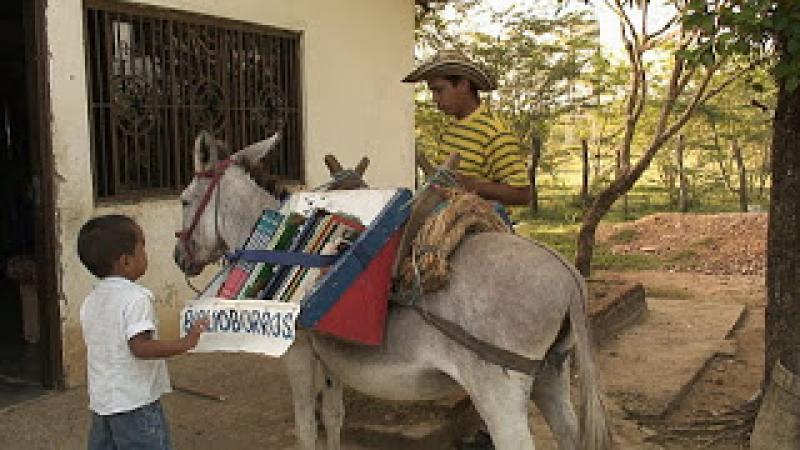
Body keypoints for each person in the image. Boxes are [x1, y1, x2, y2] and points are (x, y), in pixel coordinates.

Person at [77, 214, 208, 450]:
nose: (146, 255)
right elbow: (140, 347)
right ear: (126, 262)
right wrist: (186, 342)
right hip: (135, 404)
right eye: (142, 248)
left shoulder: (91, 300)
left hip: (103, 404)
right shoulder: (135, 298)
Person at [403, 49, 530, 207]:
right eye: (432, 92)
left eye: (439, 90)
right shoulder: (450, 131)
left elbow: (523, 194)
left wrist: (473, 186)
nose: (435, 99)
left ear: (463, 84)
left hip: (482, 227)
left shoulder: (494, 132)